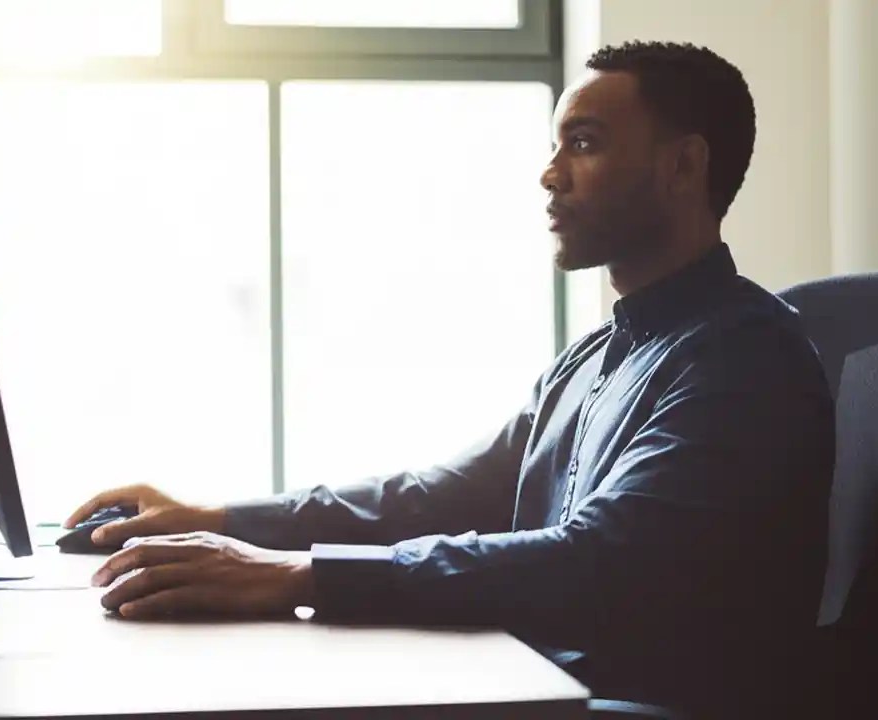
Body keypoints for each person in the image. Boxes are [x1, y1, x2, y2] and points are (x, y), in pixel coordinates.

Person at [64, 41, 834, 719]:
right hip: (547, 684)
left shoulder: (742, 357)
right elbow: (432, 497)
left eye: (585, 143)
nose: (549, 173)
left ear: (683, 165)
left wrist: (296, 577)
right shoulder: (595, 356)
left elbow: (596, 563)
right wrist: (222, 519)